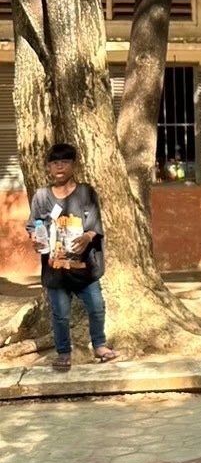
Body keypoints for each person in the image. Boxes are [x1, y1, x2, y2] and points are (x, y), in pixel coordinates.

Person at [25, 143, 119, 371]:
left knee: (97, 307)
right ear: (48, 167)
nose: (59, 167)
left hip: (85, 266)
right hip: (55, 267)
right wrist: (36, 240)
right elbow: (32, 226)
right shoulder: (41, 197)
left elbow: (95, 225)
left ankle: (99, 346)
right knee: (60, 315)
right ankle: (64, 353)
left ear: (73, 165)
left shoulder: (86, 192)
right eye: (55, 162)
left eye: (65, 162)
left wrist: (87, 237)